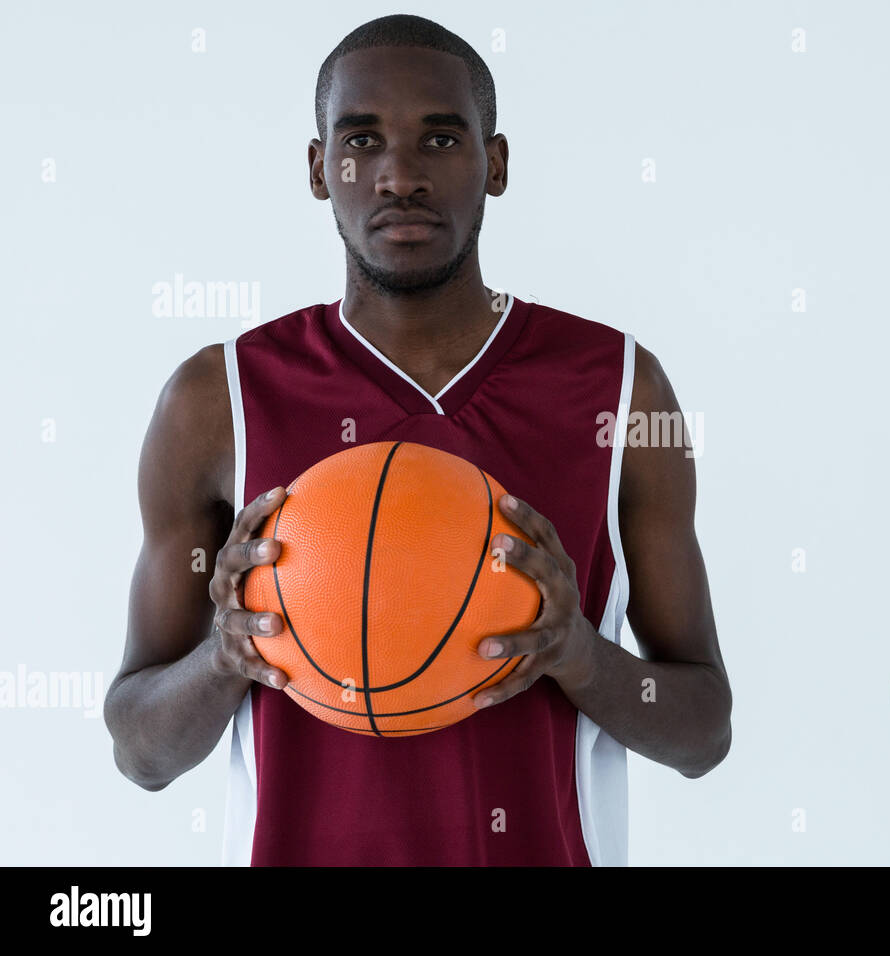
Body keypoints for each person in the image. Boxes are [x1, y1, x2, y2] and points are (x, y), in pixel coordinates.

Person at [104, 14, 731, 866]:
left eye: (441, 137)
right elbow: (139, 752)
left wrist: (577, 653)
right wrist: (225, 656)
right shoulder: (218, 399)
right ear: (321, 169)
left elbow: (703, 731)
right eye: (363, 140)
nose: (400, 175)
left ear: (496, 164)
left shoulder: (619, 386)